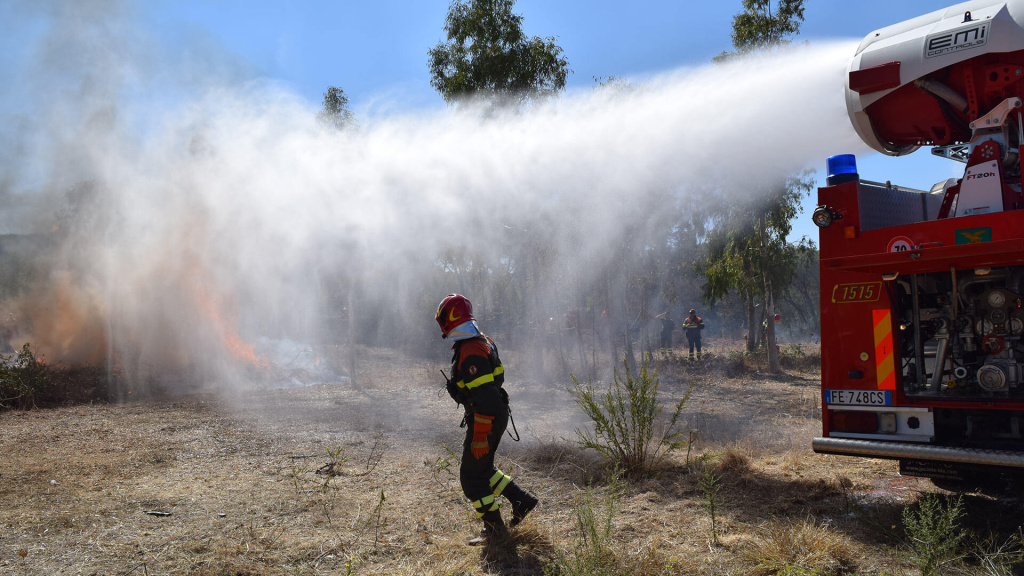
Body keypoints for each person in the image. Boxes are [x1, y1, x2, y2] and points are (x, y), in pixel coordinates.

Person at [435, 294, 538, 545]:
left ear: (451, 319)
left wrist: (480, 435)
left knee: (471, 478)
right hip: (492, 415)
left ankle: (495, 531)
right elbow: (494, 383)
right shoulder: (482, 341)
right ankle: (521, 500)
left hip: (486, 418)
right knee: (482, 469)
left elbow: (487, 398)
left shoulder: (470, 349)